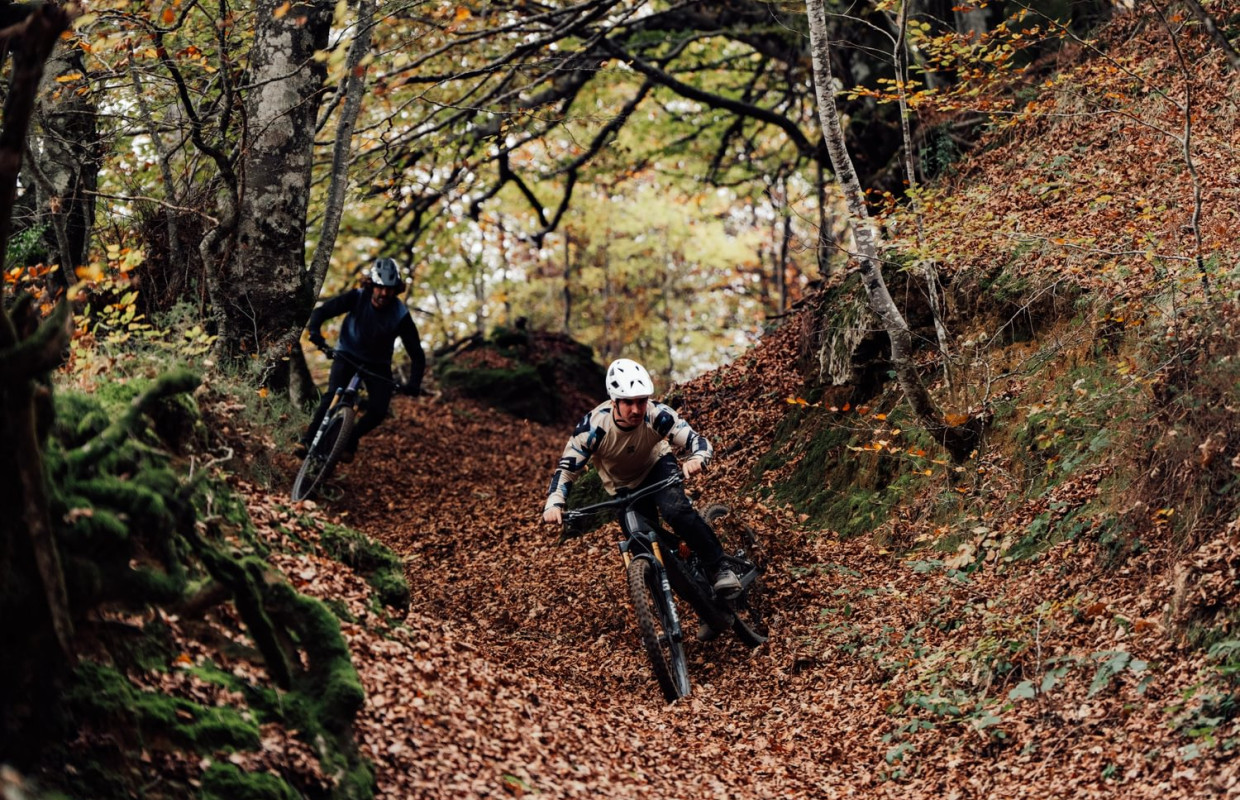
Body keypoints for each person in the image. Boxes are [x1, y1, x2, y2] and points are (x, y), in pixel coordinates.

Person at [542, 357, 743, 610]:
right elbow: (566, 470)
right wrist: (555, 502)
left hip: (657, 467)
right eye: (628, 402)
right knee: (645, 547)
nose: (636, 410)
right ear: (614, 401)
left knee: (675, 511)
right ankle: (707, 610)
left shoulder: (656, 414)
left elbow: (696, 440)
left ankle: (719, 568)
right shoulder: (592, 428)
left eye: (641, 401)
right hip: (623, 488)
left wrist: (697, 458)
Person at [298, 257, 426, 462]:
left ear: (396, 290)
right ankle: (307, 441)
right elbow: (322, 312)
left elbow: (417, 354)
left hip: (379, 365)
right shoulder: (357, 297)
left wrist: (414, 383)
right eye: (379, 288)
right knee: (332, 396)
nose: (384, 293)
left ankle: (350, 439)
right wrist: (315, 332)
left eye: (389, 289)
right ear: (371, 285)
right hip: (347, 354)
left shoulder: (400, 314)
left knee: (378, 411)